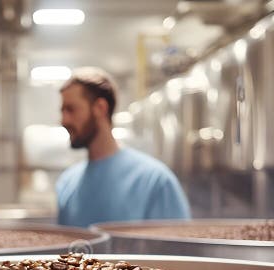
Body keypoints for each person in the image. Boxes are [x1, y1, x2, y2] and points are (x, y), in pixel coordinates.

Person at [56, 67, 191, 228]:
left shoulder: (154, 181)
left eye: (71, 110)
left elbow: (177, 242)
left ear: (100, 108)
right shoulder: (67, 184)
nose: (63, 121)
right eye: (62, 111)